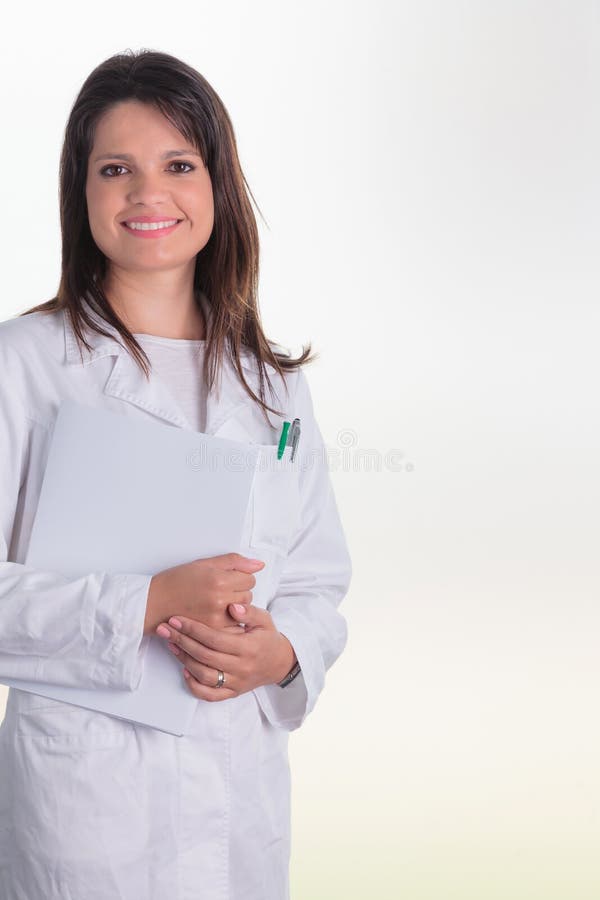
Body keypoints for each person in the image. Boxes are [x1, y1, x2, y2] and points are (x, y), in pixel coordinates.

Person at [0, 49, 352, 899]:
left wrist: (281, 654)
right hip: (83, 815)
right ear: (80, 192)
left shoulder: (273, 386)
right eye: (115, 169)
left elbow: (316, 581)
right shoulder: (23, 366)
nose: (147, 193)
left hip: (238, 807)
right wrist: (149, 601)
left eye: (179, 165)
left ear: (218, 185)